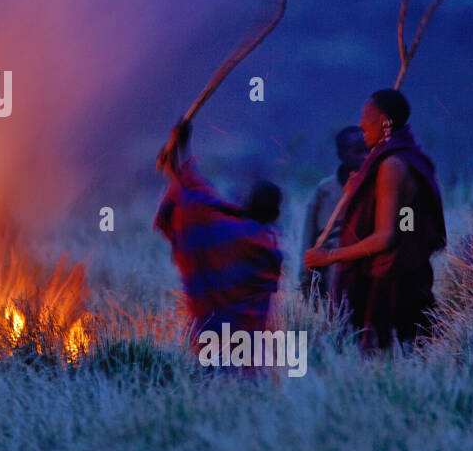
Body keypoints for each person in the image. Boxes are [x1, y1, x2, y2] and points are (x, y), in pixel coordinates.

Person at [303, 89, 446, 351]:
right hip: (409, 275)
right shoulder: (402, 157)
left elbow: (385, 238)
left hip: (390, 283)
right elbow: (407, 221)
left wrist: (329, 256)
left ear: (385, 122)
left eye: (366, 116)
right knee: (409, 355)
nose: (360, 123)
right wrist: (366, 191)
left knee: (386, 357)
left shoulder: (392, 164)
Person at [153, 121, 283, 350]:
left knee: (211, 381)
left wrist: (180, 158)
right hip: (249, 352)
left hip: (209, 343)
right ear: (276, 214)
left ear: (244, 203)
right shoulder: (269, 248)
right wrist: (180, 160)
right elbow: (201, 198)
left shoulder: (224, 229)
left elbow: (196, 200)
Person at [299, 126, 367, 298]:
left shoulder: (377, 187)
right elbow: (310, 236)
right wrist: (306, 279)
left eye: (368, 150)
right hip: (330, 278)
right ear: (342, 155)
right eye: (359, 151)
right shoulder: (325, 190)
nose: (365, 156)